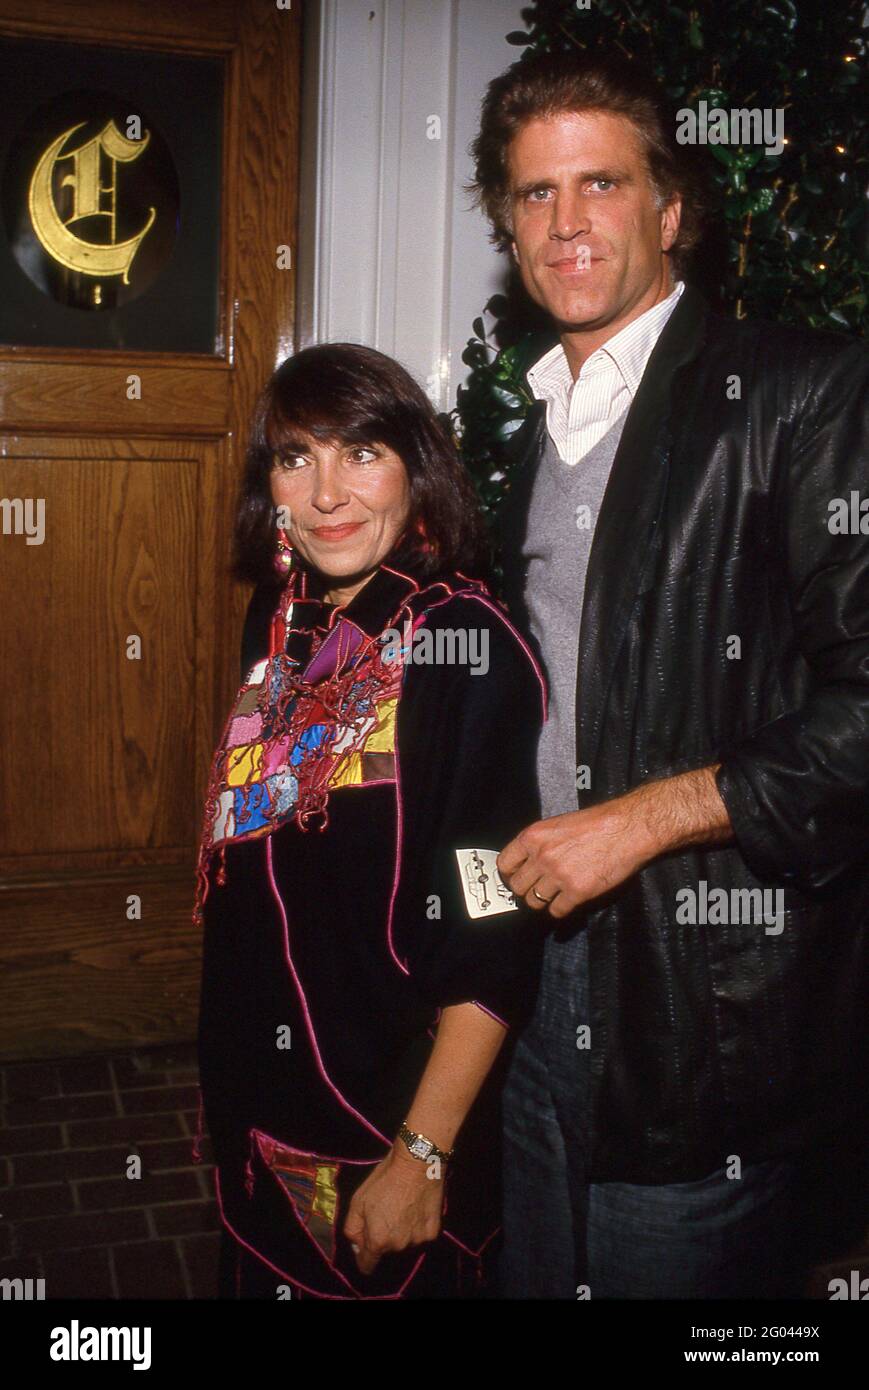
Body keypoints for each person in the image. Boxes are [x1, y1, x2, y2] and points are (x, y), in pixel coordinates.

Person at [467, 49, 869, 1298]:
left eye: (600, 183)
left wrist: (638, 824)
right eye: (534, 194)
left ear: (671, 211)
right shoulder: (520, 429)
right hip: (525, 972)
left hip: (704, 995)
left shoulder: (799, 394)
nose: (565, 222)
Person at [193, 343, 545, 1299]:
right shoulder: (281, 617)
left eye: (361, 453)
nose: (327, 493)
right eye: (296, 457)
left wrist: (420, 1155)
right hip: (260, 1110)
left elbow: (492, 925)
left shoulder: (463, 650)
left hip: (380, 1123)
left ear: (414, 467)